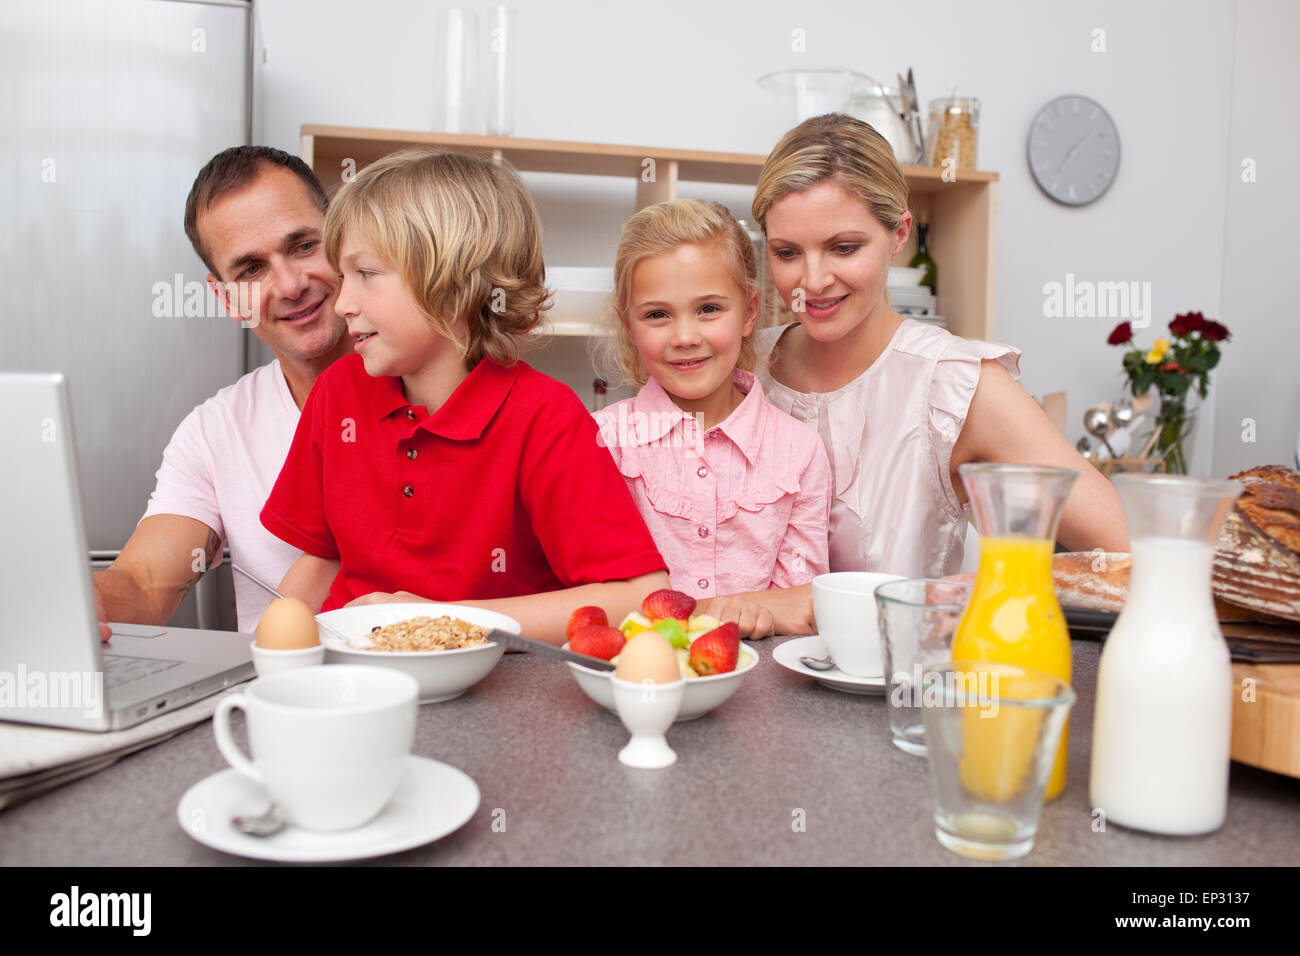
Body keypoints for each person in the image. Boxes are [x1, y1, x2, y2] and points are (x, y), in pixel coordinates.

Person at [703, 114, 1128, 635]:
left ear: (899, 233)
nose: (811, 282)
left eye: (843, 247)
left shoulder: (955, 385)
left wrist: (939, 595)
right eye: (787, 253)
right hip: (729, 687)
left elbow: (1128, 557)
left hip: (894, 698)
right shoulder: (740, 370)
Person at [259, 148, 669, 644]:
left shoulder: (545, 417)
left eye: (365, 274)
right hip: (357, 677)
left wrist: (447, 620)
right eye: (343, 278)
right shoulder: (338, 393)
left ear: (454, 286)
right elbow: (322, 558)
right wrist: (268, 655)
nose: (343, 303)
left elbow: (636, 598)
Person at [93, 146, 352, 637]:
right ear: (227, 299)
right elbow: (147, 582)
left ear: (343, 239)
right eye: (251, 269)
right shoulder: (215, 432)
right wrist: (90, 602)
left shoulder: (437, 386)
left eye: (303, 245)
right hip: (270, 699)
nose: (291, 284)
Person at [593, 198, 832, 613]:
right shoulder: (601, 441)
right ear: (628, 325)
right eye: (657, 315)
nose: (685, 336)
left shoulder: (800, 451)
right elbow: (595, 593)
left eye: (708, 309)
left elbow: (801, 604)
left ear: (749, 312)